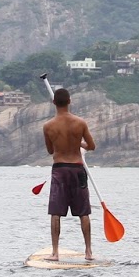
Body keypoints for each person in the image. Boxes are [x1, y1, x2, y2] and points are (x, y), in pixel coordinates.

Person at [42, 87, 97, 261]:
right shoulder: (80, 123)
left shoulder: (48, 126)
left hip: (59, 170)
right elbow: (91, 146)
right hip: (77, 169)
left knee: (56, 212)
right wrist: (78, 143)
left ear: (53, 103)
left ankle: (55, 252)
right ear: (70, 101)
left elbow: (51, 150)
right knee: (83, 212)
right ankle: (88, 251)